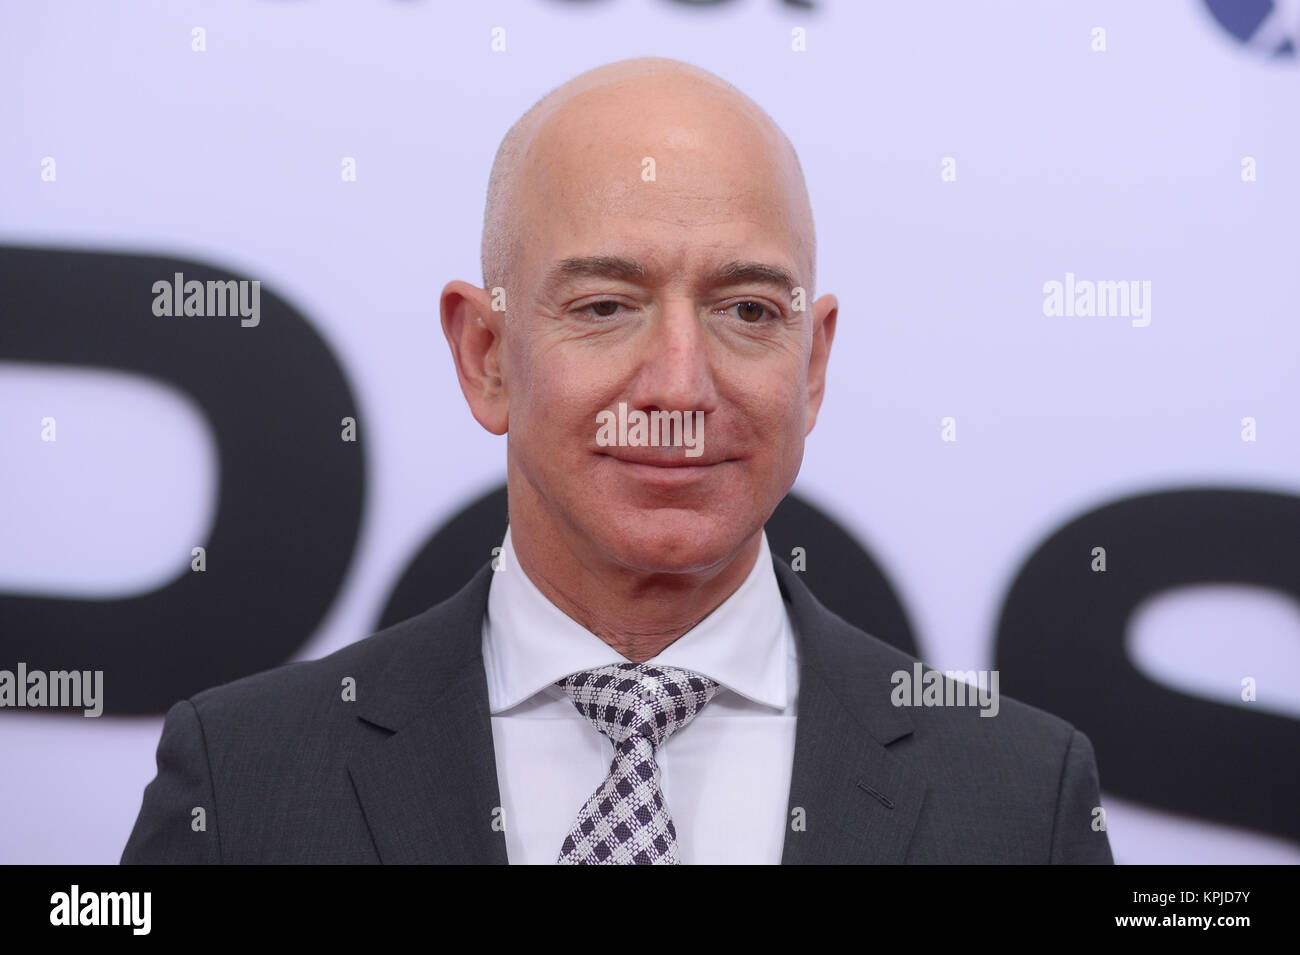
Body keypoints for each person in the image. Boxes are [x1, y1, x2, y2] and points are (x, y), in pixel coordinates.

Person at [122, 57, 1113, 864]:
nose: (679, 387)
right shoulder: (246, 778)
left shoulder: (1021, 798)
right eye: (604, 305)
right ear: (485, 356)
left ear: (812, 368)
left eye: (746, 311)